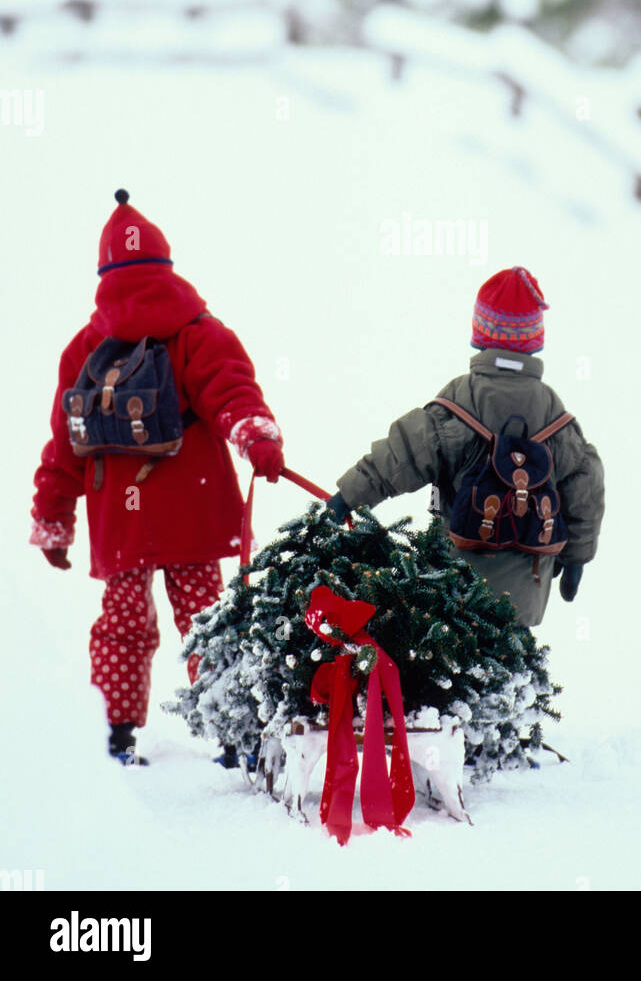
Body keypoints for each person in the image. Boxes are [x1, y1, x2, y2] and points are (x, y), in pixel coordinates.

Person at [30, 189, 284, 765]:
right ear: (165, 265)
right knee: (205, 618)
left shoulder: (86, 347)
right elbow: (231, 389)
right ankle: (231, 731)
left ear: (105, 273)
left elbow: (64, 442)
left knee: (122, 623)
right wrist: (256, 436)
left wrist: (53, 516)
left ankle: (114, 736)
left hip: (120, 514)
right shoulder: (196, 330)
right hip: (191, 507)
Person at [326, 266, 604, 628]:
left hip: (449, 586)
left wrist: (347, 497)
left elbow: (405, 451)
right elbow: (586, 487)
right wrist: (577, 559)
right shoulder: (553, 412)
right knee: (506, 674)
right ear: (535, 339)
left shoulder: (461, 400)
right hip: (523, 599)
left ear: (480, 332)